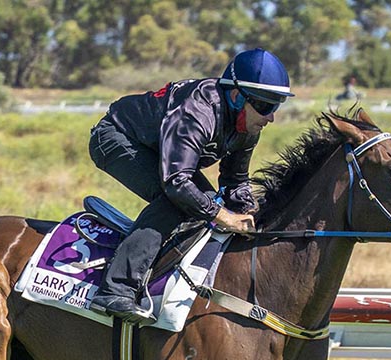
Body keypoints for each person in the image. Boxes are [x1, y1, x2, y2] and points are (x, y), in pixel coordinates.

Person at [87, 48, 293, 323]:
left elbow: (235, 182)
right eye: (265, 106)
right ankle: (116, 289)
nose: (271, 117)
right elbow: (176, 183)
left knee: (204, 203)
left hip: (157, 150)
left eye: (276, 105)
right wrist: (223, 217)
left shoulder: (247, 127)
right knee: (178, 203)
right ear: (235, 96)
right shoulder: (197, 111)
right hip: (116, 138)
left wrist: (251, 216)